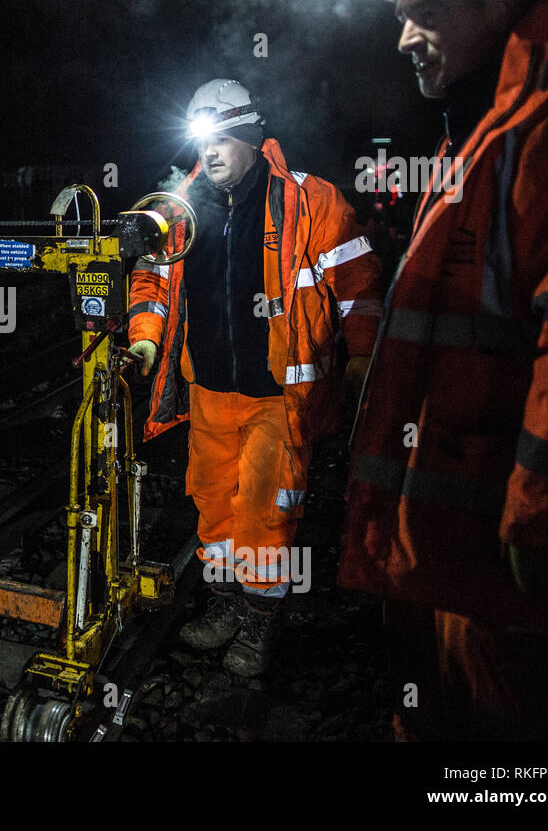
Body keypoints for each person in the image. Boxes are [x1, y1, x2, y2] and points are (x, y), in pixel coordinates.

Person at [343, 0, 548, 740]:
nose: (404, 39)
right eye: (401, 18)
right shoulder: (477, 148)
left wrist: (546, 522)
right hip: (449, 557)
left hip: (513, 574)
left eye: (427, 12)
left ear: (501, 3)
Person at [128, 79, 381, 675]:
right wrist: (144, 337)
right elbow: (152, 281)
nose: (210, 152)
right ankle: (223, 606)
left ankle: (259, 623)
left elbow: (359, 287)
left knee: (267, 514)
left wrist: (365, 357)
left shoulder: (309, 201)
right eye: (202, 141)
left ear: (249, 134)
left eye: (222, 138)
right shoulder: (180, 208)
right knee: (213, 506)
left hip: (277, 395)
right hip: (210, 391)